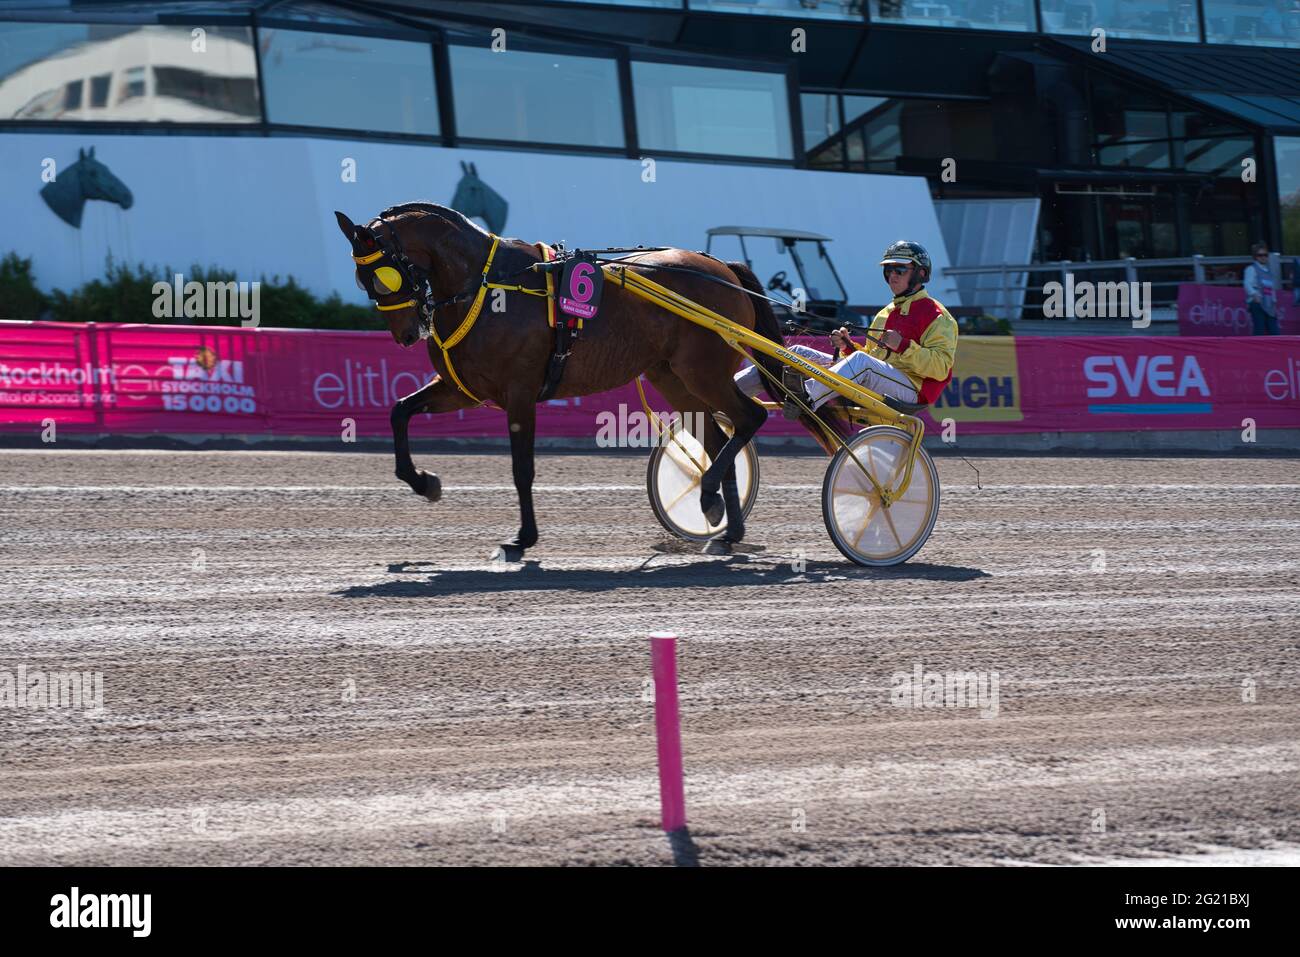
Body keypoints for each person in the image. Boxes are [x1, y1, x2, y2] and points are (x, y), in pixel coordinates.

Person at [734, 240, 958, 416]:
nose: (892, 275)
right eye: (888, 269)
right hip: (879, 378)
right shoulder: (885, 313)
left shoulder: (937, 315)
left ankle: (807, 398)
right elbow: (871, 360)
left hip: (913, 391)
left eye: (900, 269)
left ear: (921, 273)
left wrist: (903, 346)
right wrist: (847, 347)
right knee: (795, 353)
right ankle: (731, 391)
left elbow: (941, 369)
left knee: (861, 362)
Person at [1243, 242, 1280, 336]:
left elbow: (1271, 288)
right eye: (1260, 255)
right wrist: (1254, 294)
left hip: (1269, 305)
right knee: (1259, 330)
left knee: (1274, 331)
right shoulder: (1251, 269)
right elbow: (1247, 284)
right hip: (1258, 303)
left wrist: (1274, 300)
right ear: (1255, 256)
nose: (1263, 257)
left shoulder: (1268, 271)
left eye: (1265, 255)